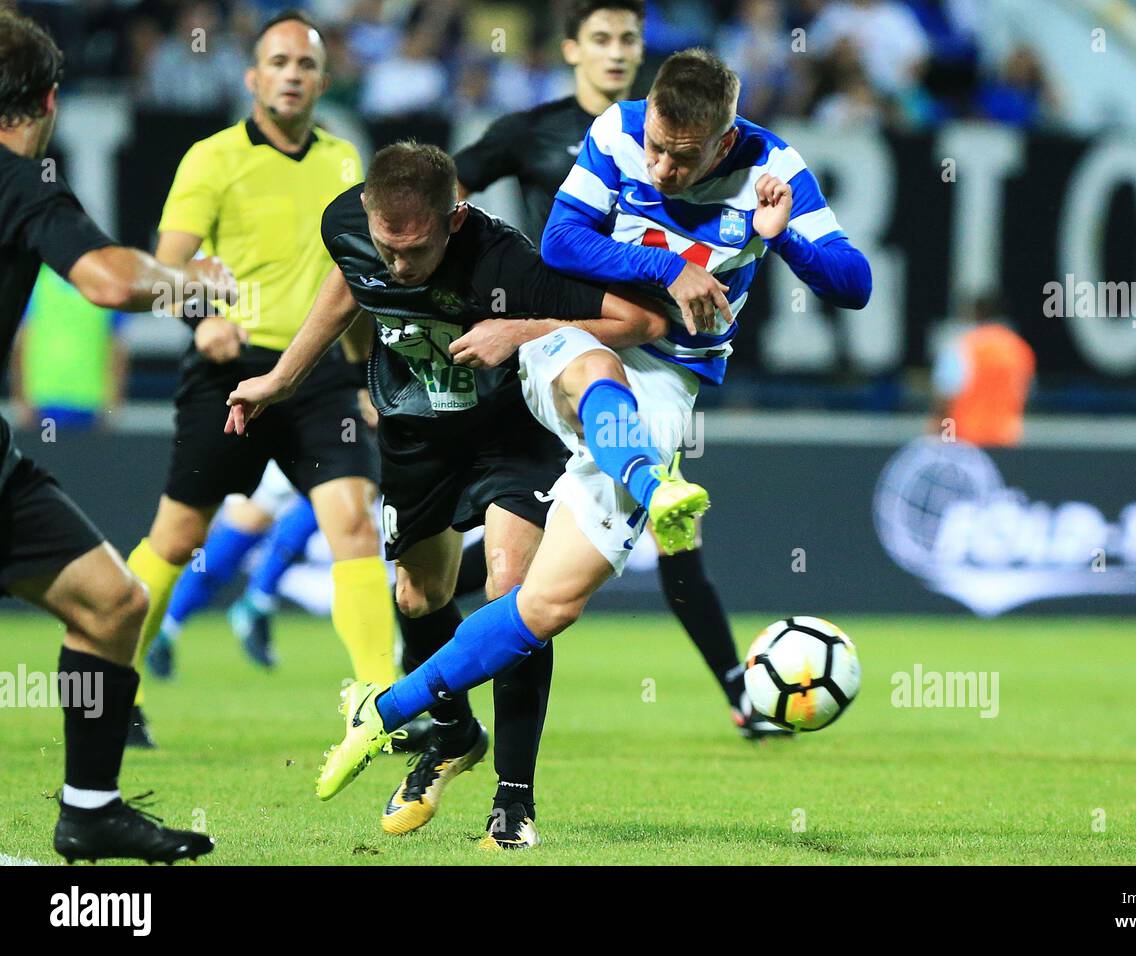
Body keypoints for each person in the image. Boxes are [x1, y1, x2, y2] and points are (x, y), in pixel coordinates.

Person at [249, 49, 871, 829]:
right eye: (656, 149)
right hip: (563, 339)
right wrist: (671, 264)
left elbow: (853, 285)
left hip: (670, 381)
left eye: (683, 158)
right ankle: (654, 484)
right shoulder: (617, 130)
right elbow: (563, 244)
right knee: (588, 371)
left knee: (543, 604)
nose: (662, 167)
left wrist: (781, 240)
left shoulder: (778, 168)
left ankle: (386, 710)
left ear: (723, 140)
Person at [224, 141, 671, 849]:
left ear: (454, 218)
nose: (398, 266)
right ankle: (457, 734)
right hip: (416, 440)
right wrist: (283, 378)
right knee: (417, 598)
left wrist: (518, 329)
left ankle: (514, 802)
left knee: (511, 586)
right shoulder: (346, 223)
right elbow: (350, 282)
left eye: (416, 251)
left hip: (509, 434)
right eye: (386, 247)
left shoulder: (506, 262)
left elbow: (642, 322)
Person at [455, 0, 785, 741]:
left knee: (671, 537)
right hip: (557, 349)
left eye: (628, 39)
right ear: (571, 48)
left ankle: (735, 687)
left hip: (640, 356)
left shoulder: (675, 144)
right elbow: (450, 190)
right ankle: (462, 716)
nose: (614, 53)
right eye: (599, 39)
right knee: (518, 566)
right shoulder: (533, 131)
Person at [124, 9, 395, 748]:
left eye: (305, 64)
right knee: (178, 536)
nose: (291, 75)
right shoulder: (212, 159)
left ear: (323, 79)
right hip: (231, 371)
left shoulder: (347, 161)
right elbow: (166, 262)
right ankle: (113, 686)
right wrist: (198, 321)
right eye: (278, 62)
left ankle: (381, 704)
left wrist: (373, 377)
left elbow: (359, 281)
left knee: (351, 523)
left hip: (319, 374)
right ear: (253, 76)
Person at [0, 8, 231, 863]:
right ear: (49, 101)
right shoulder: (23, 185)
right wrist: (185, 282)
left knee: (112, 601)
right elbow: (101, 279)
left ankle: (90, 808)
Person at [144, 462, 319, 677]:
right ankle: (166, 625)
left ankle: (258, 599)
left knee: (323, 494)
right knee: (244, 523)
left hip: (320, 442)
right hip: (271, 440)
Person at [9, 264, 129, 432]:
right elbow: (21, 344)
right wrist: (20, 400)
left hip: (90, 403)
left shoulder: (108, 283)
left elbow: (116, 348)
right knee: (48, 455)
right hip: (43, 402)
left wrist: (113, 403)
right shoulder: (34, 281)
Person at [931, 294, 1035, 447]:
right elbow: (1024, 393)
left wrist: (941, 436)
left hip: (966, 441)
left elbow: (946, 396)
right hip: (1007, 440)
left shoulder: (963, 346)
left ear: (976, 314)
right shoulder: (1019, 349)